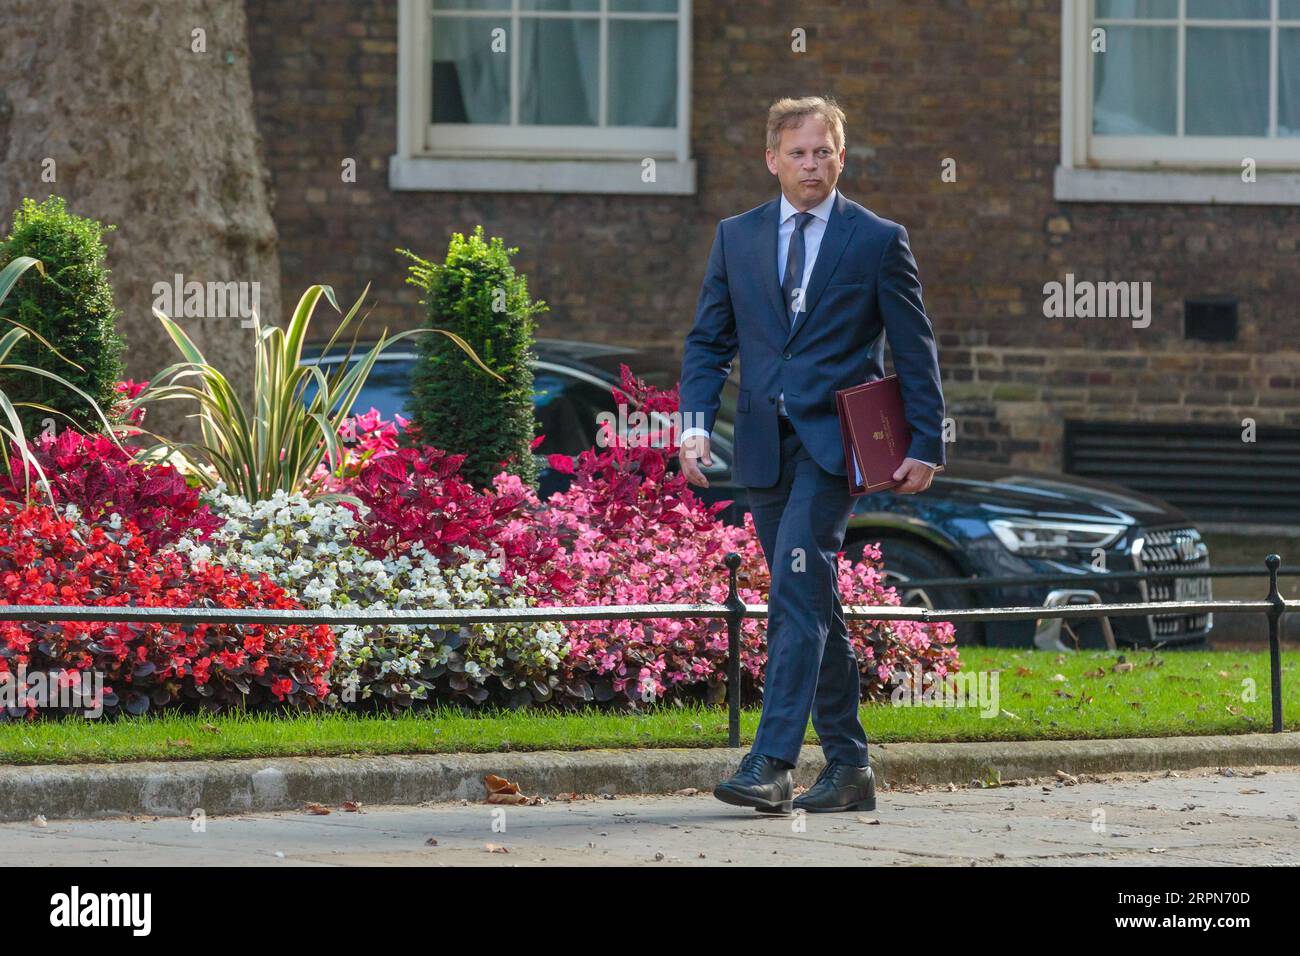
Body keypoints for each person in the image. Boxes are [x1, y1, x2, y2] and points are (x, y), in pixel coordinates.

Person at [677, 95, 946, 814]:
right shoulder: (737, 236)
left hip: (836, 448)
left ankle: (771, 762)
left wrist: (927, 440)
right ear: (772, 159)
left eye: (824, 151)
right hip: (764, 447)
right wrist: (694, 423)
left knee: (794, 588)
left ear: (841, 157)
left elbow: (913, 347)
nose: (811, 164)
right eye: (797, 152)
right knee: (811, 596)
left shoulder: (877, 239)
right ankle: (852, 767)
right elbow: (709, 341)